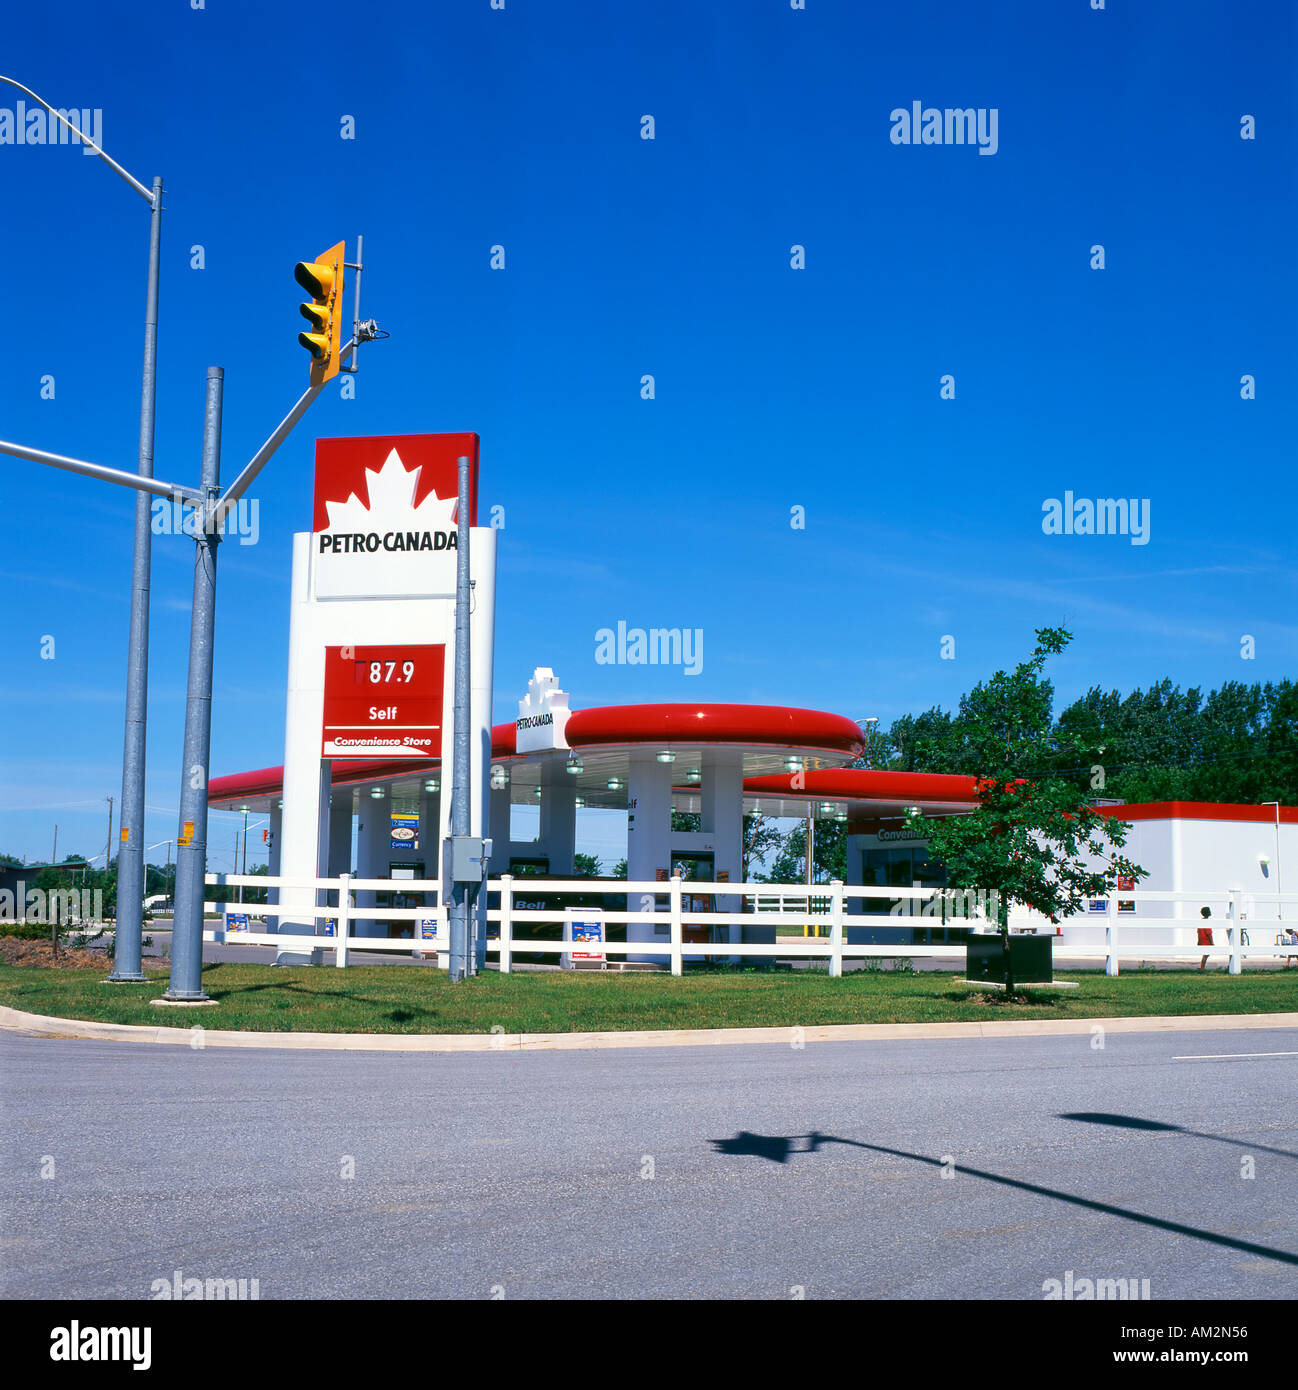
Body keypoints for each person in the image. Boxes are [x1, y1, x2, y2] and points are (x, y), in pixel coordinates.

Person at [1198, 905, 1213, 970]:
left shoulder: (1201, 921)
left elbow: (1198, 932)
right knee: (1206, 955)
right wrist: (1211, 942)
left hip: (1202, 940)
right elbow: (1208, 933)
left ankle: (1202, 966)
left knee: (1205, 955)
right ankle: (1202, 967)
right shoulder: (1207, 922)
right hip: (1206, 941)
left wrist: (1198, 941)